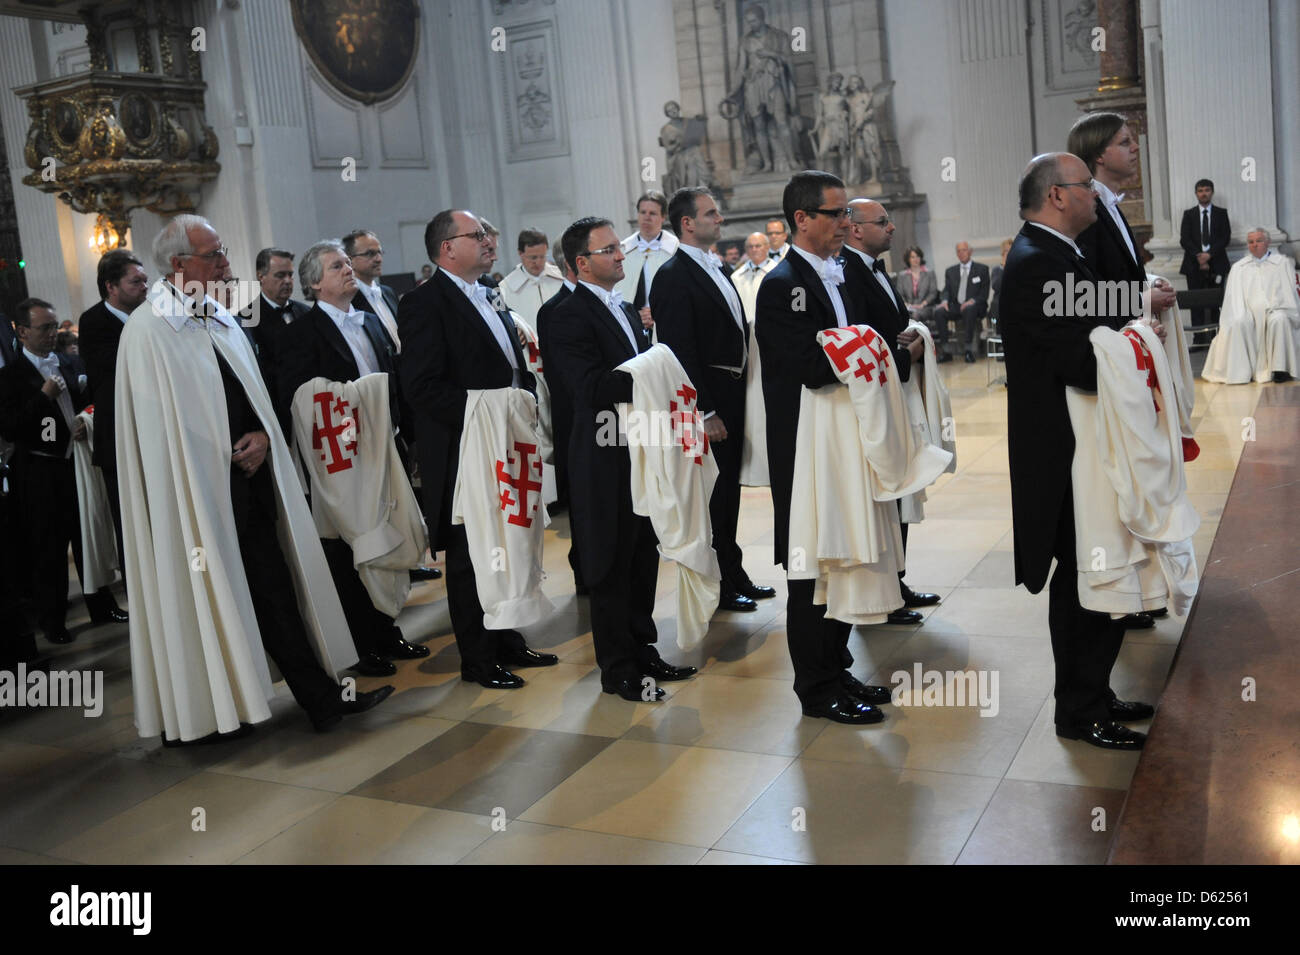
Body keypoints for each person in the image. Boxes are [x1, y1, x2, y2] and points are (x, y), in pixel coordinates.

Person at [116, 215, 393, 741]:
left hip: (251, 484)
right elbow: (160, 432)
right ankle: (215, 708)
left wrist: (263, 436)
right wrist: (219, 452)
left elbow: (253, 396)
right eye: (214, 254)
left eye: (223, 251)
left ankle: (321, 699)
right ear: (179, 264)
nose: (225, 263)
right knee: (220, 595)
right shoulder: (149, 331)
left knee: (275, 588)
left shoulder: (218, 316)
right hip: (198, 494)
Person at [1000, 153, 1156, 751]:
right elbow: (1078, 361)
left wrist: (1136, 319)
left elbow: (1094, 325)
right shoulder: (1040, 262)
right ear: (1057, 196)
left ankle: (1095, 690)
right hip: (1062, 448)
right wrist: (1137, 344)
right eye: (1086, 185)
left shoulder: (1059, 253)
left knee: (1093, 570)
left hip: (1078, 440)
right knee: (1082, 575)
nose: (1097, 194)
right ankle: (1080, 709)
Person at [755, 170, 894, 724]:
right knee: (810, 564)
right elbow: (812, 367)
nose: (845, 223)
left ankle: (836, 667)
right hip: (805, 447)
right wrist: (876, 352)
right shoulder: (782, 283)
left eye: (846, 214)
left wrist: (872, 348)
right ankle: (816, 689)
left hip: (841, 438)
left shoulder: (840, 273)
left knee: (841, 555)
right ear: (802, 219)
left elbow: (866, 337)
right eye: (835, 214)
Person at [397, 210, 558, 690]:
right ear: (447, 248)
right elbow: (422, 387)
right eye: (478, 235)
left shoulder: (491, 293)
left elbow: (511, 366)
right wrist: (488, 415)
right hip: (465, 449)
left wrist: (520, 397)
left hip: (504, 443)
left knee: (507, 543)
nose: (490, 241)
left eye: (490, 233)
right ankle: (477, 659)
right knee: (471, 556)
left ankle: (506, 638)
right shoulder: (424, 303)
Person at [545, 216, 697, 700]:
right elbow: (588, 387)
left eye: (618, 247)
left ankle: (643, 647)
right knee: (608, 561)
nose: (620, 255)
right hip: (600, 453)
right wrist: (657, 371)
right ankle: (617, 667)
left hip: (639, 448)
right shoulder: (562, 314)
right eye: (609, 249)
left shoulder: (629, 310)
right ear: (581, 263)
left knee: (641, 554)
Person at [274, 239, 431, 678]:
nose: (348, 270)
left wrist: (409, 438)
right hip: (342, 462)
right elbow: (297, 400)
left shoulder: (372, 325)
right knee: (349, 548)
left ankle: (387, 629)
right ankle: (362, 642)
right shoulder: (299, 334)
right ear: (314, 283)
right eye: (336, 266)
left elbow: (393, 385)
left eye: (347, 263)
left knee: (387, 531)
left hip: (388, 448)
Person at [1067, 111, 1181, 630]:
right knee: (1121, 476)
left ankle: (1142, 585)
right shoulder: (1088, 215)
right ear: (1097, 156)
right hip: (1106, 362)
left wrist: (1144, 295)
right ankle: (1125, 590)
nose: (1134, 149)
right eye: (1124, 142)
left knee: (1139, 470)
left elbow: (1118, 274)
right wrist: (1138, 300)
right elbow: (1079, 293)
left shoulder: (1112, 207)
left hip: (1130, 350)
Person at [651, 188, 773, 614]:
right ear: (687, 223)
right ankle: (718, 584)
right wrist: (704, 410)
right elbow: (678, 349)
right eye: (711, 213)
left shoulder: (717, 265)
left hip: (734, 390)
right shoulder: (671, 275)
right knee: (713, 495)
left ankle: (734, 570)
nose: (720, 219)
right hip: (709, 399)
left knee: (729, 491)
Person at [0, 297, 126, 646]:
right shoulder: (10, 376)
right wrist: (43, 396)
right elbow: (11, 427)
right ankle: (52, 619)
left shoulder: (70, 362)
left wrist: (86, 419)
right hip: (40, 471)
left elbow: (92, 398)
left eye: (54, 326)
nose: (53, 333)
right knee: (49, 548)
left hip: (76, 464)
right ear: (22, 332)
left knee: (87, 535)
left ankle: (102, 605)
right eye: (44, 328)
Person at [840, 199, 939, 621]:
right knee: (885, 491)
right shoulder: (846, 273)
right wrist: (907, 355)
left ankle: (897, 581)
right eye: (882, 222)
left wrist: (913, 340)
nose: (893, 228)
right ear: (856, 229)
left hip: (895, 391)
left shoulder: (875, 268)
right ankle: (884, 589)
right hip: (876, 394)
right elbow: (864, 342)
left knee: (901, 487)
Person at [77, 248, 150, 575]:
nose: (145, 286)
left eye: (145, 280)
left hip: (153, 432)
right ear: (111, 287)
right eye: (136, 281)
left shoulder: (152, 315)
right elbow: (117, 370)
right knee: (130, 522)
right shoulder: (93, 322)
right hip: (119, 435)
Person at [1203, 228, 1300, 384]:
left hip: (1276, 309)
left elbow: (1288, 294)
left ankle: (1280, 369)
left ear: (1267, 242)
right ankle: (1243, 372)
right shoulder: (1239, 267)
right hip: (1247, 310)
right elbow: (1233, 298)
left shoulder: (1282, 263)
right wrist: (1244, 312)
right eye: (1251, 242)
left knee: (1279, 320)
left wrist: (1274, 308)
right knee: (1240, 322)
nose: (1255, 245)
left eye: (1259, 241)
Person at [246, 247, 311, 432]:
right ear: (261, 276)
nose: (288, 281)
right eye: (280, 275)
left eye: (291, 275)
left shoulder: (306, 312)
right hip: (277, 414)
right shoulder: (247, 318)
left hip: (312, 407)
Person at [731, 232, 775, 488]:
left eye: (760, 245)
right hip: (747, 349)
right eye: (751, 246)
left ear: (767, 247)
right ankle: (752, 465)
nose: (756, 249)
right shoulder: (737, 277)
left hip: (771, 347)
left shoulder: (778, 271)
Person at [615, 190, 678, 327]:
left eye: (653, 213)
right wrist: (634, 316)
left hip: (668, 322)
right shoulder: (623, 250)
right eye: (643, 212)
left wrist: (656, 313)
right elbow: (616, 292)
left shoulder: (676, 250)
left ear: (663, 217)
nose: (647, 217)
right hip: (631, 324)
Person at [1179, 179, 1231, 343]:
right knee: (1195, 303)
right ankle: (1199, 339)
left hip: (1217, 263)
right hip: (1193, 265)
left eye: (1207, 190)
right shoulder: (1189, 214)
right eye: (1200, 190)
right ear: (1196, 194)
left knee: (1216, 301)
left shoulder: (1222, 213)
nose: (1203, 193)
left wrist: (1209, 255)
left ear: (1212, 192)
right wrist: (1199, 256)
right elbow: (1184, 239)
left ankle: (1217, 339)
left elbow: (1225, 238)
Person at [344, 229, 400, 351]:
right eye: (370, 253)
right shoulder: (348, 300)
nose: (378, 259)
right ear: (350, 261)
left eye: (379, 252)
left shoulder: (388, 292)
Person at [937, 241, 990, 363]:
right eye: (959, 251)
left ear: (970, 251)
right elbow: (946, 290)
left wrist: (972, 301)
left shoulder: (982, 269)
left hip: (975, 306)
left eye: (964, 250)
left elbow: (984, 294)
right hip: (956, 306)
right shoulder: (950, 271)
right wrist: (944, 300)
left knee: (969, 309)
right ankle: (946, 351)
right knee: (939, 311)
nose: (961, 253)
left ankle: (968, 350)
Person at [500, 228, 564, 326]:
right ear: (520, 253)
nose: (538, 262)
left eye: (542, 256)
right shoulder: (505, 288)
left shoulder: (562, 277)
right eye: (533, 257)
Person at [894, 246, 940, 339]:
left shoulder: (929, 273)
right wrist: (906, 304)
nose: (916, 259)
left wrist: (923, 304)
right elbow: (899, 294)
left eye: (917, 256)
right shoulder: (902, 275)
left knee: (915, 315)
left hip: (926, 307)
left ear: (921, 258)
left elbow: (933, 293)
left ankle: (914, 342)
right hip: (908, 308)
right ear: (908, 259)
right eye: (913, 257)